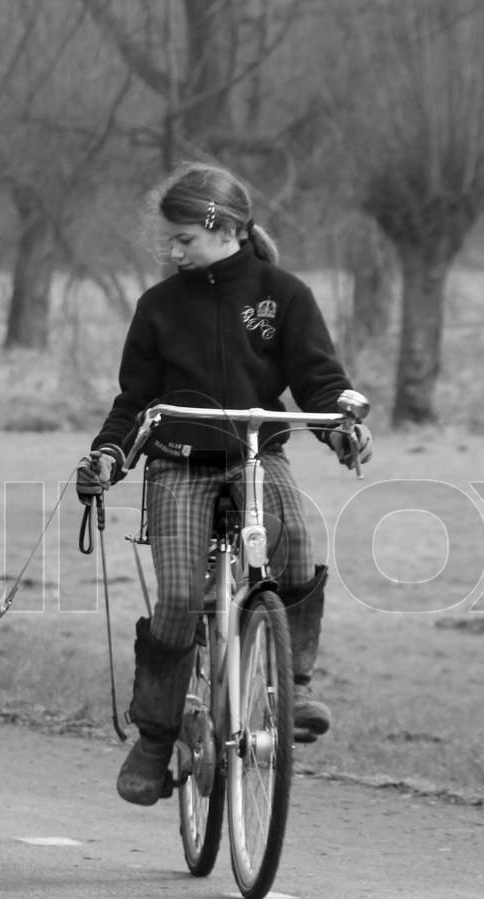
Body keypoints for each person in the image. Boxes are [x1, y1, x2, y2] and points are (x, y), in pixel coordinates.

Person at [77, 162, 373, 807]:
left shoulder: (283, 295)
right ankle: (157, 738)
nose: (173, 250)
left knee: (295, 540)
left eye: (183, 238)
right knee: (181, 598)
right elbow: (134, 403)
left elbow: (320, 384)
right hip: (179, 464)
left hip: (257, 459)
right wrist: (106, 457)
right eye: (171, 239)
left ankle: (290, 687)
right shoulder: (157, 307)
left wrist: (342, 425)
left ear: (225, 227)